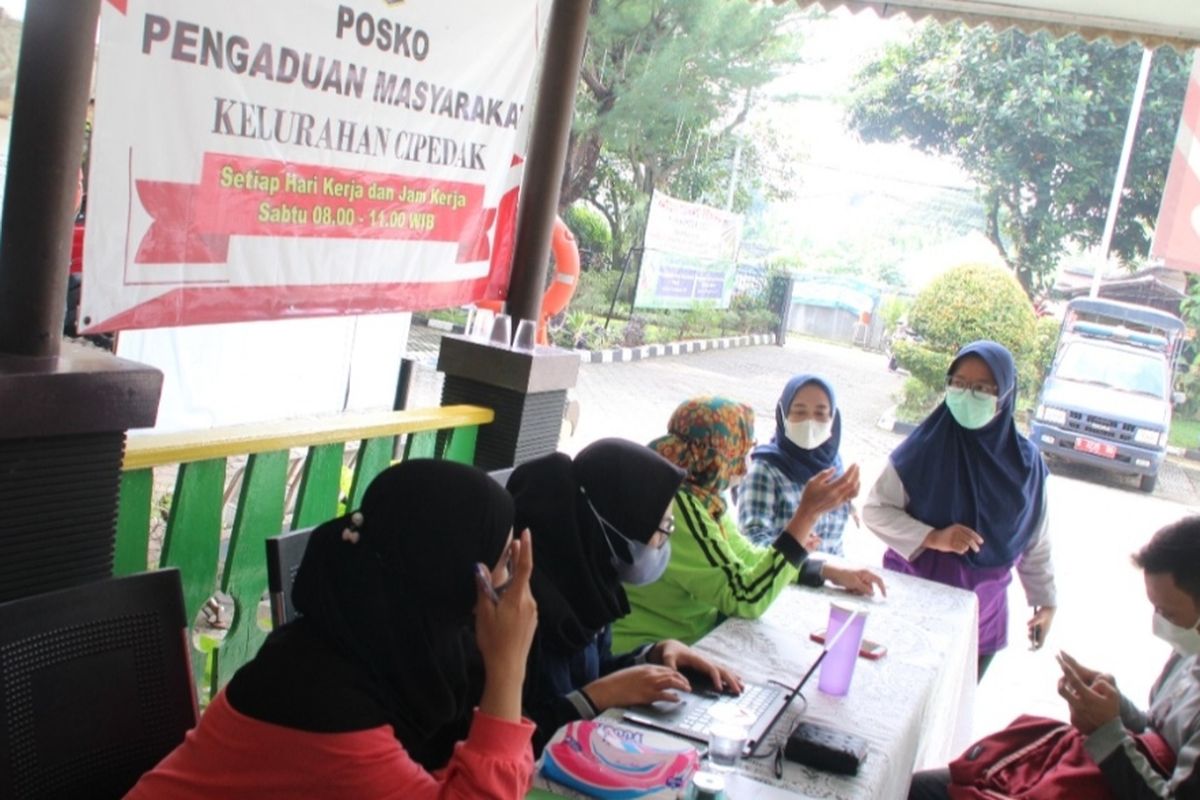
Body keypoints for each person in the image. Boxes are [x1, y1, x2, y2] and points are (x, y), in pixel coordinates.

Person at [125, 460, 540, 799]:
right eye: (506, 561)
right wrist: (508, 669)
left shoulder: (367, 647)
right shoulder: (331, 712)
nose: (514, 586)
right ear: (450, 578)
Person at [908, 515, 1200, 799]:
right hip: (1089, 777)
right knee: (916, 787)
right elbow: (1157, 733)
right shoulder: (1188, 654)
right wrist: (1115, 705)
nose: (1157, 623)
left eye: (1167, 612)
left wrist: (1107, 732)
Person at [507, 437, 742, 754]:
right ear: (613, 525)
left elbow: (594, 672)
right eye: (662, 528)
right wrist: (596, 698)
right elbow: (514, 737)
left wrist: (653, 655)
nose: (663, 544)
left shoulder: (588, 587)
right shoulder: (522, 607)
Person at [611, 396, 885, 654]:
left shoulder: (704, 498)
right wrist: (807, 515)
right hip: (646, 655)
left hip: (687, 644)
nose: (745, 464)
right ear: (717, 453)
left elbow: (746, 558)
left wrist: (824, 570)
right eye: (740, 451)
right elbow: (744, 597)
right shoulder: (678, 506)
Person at [863, 340, 1055, 679]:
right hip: (913, 602)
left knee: (950, 717)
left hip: (982, 614)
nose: (967, 395)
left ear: (1005, 393)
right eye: (959, 384)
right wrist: (933, 537)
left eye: (982, 388)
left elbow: (1034, 539)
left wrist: (1044, 601)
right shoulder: (922, 450)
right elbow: (876, 510)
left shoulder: (1027, 465)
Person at [740, 374, 856, 557]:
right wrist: (797, 550)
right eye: (800, 412)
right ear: (783, 414)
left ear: (833, 419)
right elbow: (752, 543)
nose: (810, 422)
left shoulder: (835, 469)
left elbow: (834, 545)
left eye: (820, 414)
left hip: (830, 580)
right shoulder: (765, 469)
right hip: (781, 582)